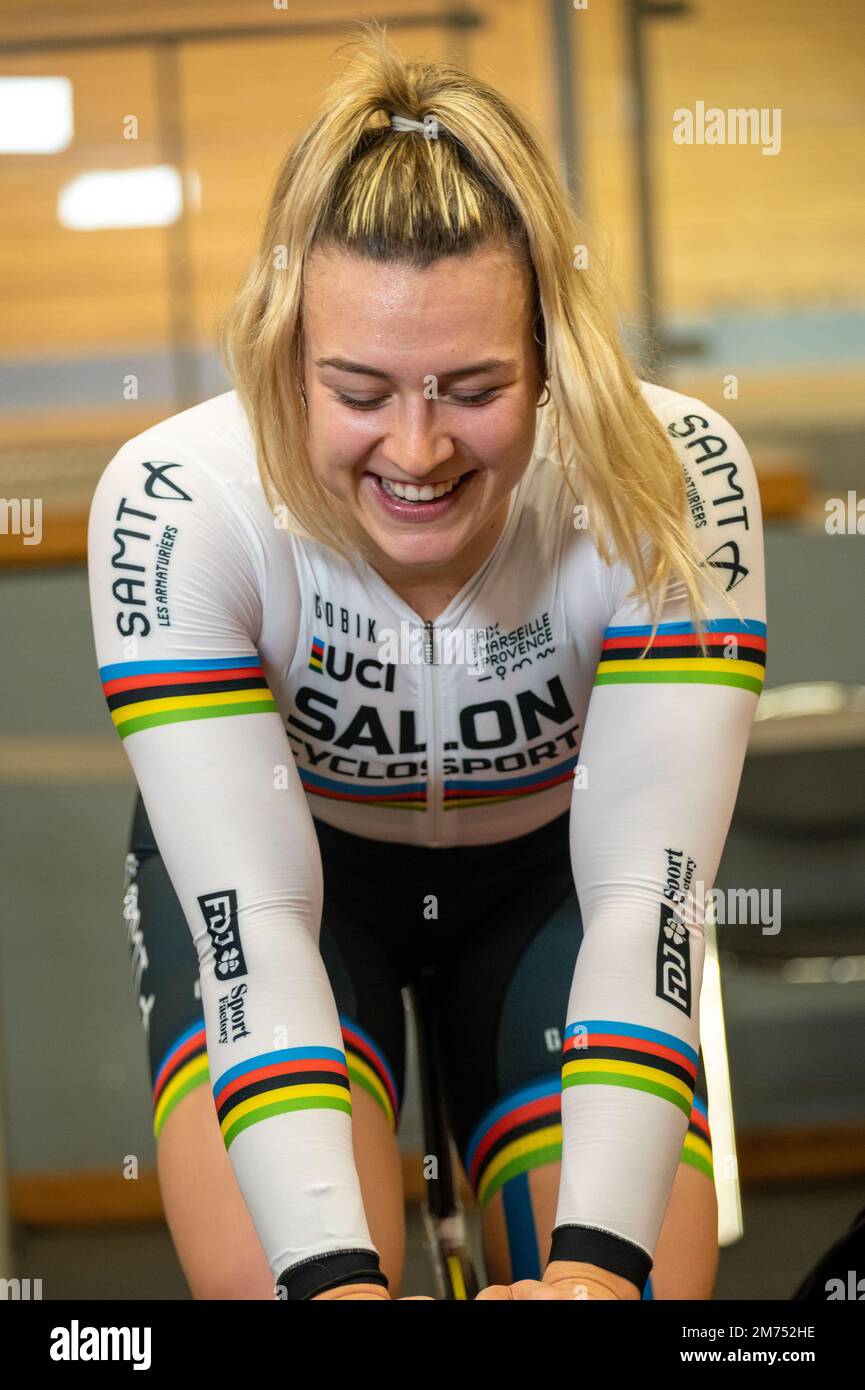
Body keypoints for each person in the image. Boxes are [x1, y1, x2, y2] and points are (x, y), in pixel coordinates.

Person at [87, 27, 766, 1302]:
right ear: (283, 348)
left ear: (555, 351)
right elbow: (258, 924)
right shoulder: (182, 502)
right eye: (358, 388)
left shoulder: (665, 476)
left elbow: (645, 899)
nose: (417, 448)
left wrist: (597, 1276)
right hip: (295, 887)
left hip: (563, 885)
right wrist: (331, 1279)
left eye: (473, 386)